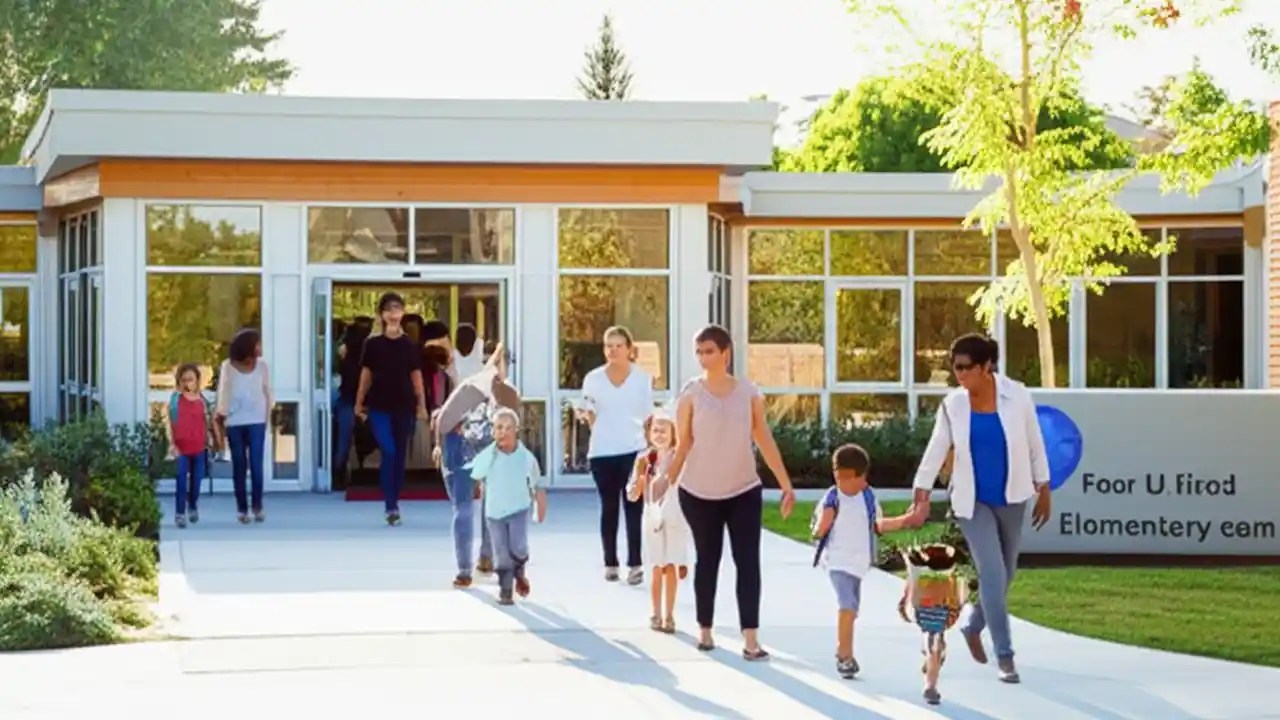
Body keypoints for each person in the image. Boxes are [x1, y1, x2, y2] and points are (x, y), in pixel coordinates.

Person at [906, 333, 1052, 684]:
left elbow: (1034, 442)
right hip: (972, 502)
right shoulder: (953, 405)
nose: (958, 374)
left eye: (965, 367)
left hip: (1013, 496)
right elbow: (938, 445)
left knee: (1007, 574)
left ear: (987, 366)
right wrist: (921, 487)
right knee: (991, 571)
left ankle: (973, 626)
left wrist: (1043, 486)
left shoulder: (1017, 395)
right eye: (954, 367)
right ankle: (1005, 656)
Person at [665, 324, 796, 660]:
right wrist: (664, 480)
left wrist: (785, 484)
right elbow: (683, 445)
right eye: (699, 352)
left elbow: (763, 439)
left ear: (726, 353)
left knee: (747, 562)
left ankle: (751, 639)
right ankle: (705, 630)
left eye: (709, 351)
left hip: (743, 490)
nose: (703, 357)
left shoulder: (748, 393)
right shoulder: (690, 394)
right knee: (707, 560)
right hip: (699, 492)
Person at [810, 444, 912, 679]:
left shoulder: (867, 496)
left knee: (853, 608)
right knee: (847, 605)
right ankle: (844, 655)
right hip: (837, 561)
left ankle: (843, 649)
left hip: (858, 563)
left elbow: (877, 525)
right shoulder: (832, 498)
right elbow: (820, 528)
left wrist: (905, 520)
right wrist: (819, 527)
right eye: (839, 476)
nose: (842, 482)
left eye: (854, 477)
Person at [577, 326, 653, 585]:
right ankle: (610, 562)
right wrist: (586, 415)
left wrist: (649, 451)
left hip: (634, 450)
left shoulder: (642, 378)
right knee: (609, 508)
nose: (613, 350)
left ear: (629, 349)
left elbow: (647, 417)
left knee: (634, 508)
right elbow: (588, 410)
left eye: (619, 345)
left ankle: (635, 564)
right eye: (609, 345)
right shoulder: (593, 379)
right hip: (602, 452)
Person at [355, 292, 428, 526]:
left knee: (398, 457)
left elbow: (416, 376)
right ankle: (389, 505)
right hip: (378, 405)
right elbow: (365, 375)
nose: (393, 312)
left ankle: (394, 503)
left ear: (403, 312)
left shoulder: (409, 345)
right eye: (388, 308)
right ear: (382, 314)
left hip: (404, 405)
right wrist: (359, 402)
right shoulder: (372, 344)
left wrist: (422, 405)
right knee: (388, 450)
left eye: (397, 308)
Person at [470, 407, 547, 606]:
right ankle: (506, 590)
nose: (503, 432)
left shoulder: (526, 457)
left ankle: (519, 572)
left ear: (517, 430)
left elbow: (537, 484)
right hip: (494, 513)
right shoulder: (489, 455)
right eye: (498, 428)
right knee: (501, 554)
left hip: (519, 509)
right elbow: (476, 474)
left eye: (508, 428)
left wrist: (540, 508)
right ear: (493, 431)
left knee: (519, 547)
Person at [626, 409, 689, 634]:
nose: (660, 434)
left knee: (670, 565)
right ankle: (655, 612)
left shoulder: (681, 457)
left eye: (664, 429)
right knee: (656, 566)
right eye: (655, 430)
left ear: (674, 433)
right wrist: (640, 483)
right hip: (652, 518)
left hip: (675, 518)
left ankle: (669, 615)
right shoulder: (644, 459)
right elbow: (631, 494)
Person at [897, 543, 968, 705]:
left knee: (933, 646)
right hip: (927, 612)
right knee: (933, 646)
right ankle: (931, 679)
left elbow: (960, 594)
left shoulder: (951, 575)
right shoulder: (927, 571)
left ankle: (931, 682)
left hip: (938, 613)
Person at [216, 328, 272, 524]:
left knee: (256, 465)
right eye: (257, 343)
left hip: (257, 420)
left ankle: (257, 506)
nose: (260, 347)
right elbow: (223, 390)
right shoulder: (228, 366)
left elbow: (268, 392)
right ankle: (242, 508)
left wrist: (268, 418)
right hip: (235, 421)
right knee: (239, 465)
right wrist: (221, 415)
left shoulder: (263, 366)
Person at [167, 363, 217, 528]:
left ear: (197, 382)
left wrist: (212, 441)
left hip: (199, 448)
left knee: (196, 482)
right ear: (179, 382)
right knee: (181, 481)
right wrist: (172, 444)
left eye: (191, 379)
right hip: (181, 448)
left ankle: (192, 505)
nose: (187, 383)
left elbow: (208, 423)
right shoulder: (175, 401)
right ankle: (180, 513)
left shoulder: (202, 402)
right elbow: (169, 423)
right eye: (184, 380)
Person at [334, 319, 373, 483]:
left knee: (344, 436)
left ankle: (338, 471)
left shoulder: (345, 355)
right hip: (363, 402)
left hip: (348, 400)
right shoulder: (369, 354)